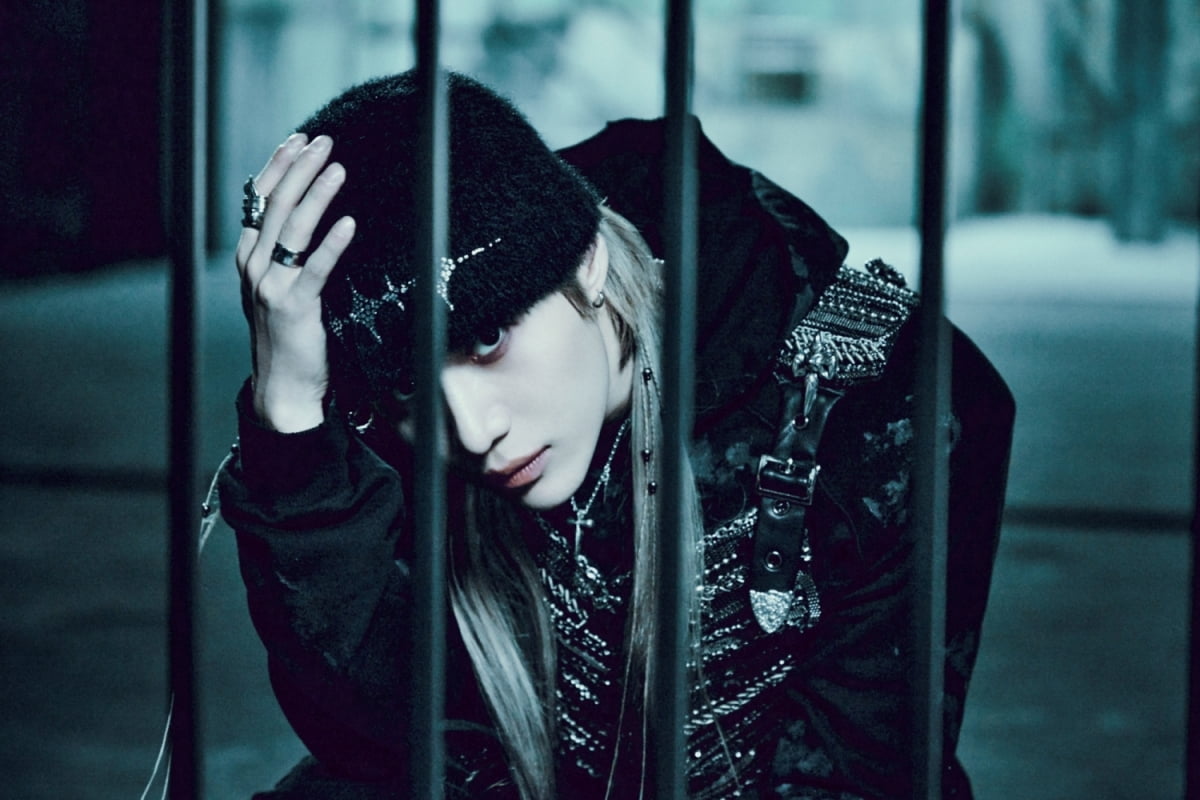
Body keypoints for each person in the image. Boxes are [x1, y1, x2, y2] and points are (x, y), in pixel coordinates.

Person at [218, 70, 1014, 799]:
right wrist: (291, 418)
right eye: (410, 390)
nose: (473, 429)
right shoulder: (399, 393)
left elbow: (858, 772)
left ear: (590, 264)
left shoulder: (889, 404)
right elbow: (377, 745)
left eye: (489, 339)